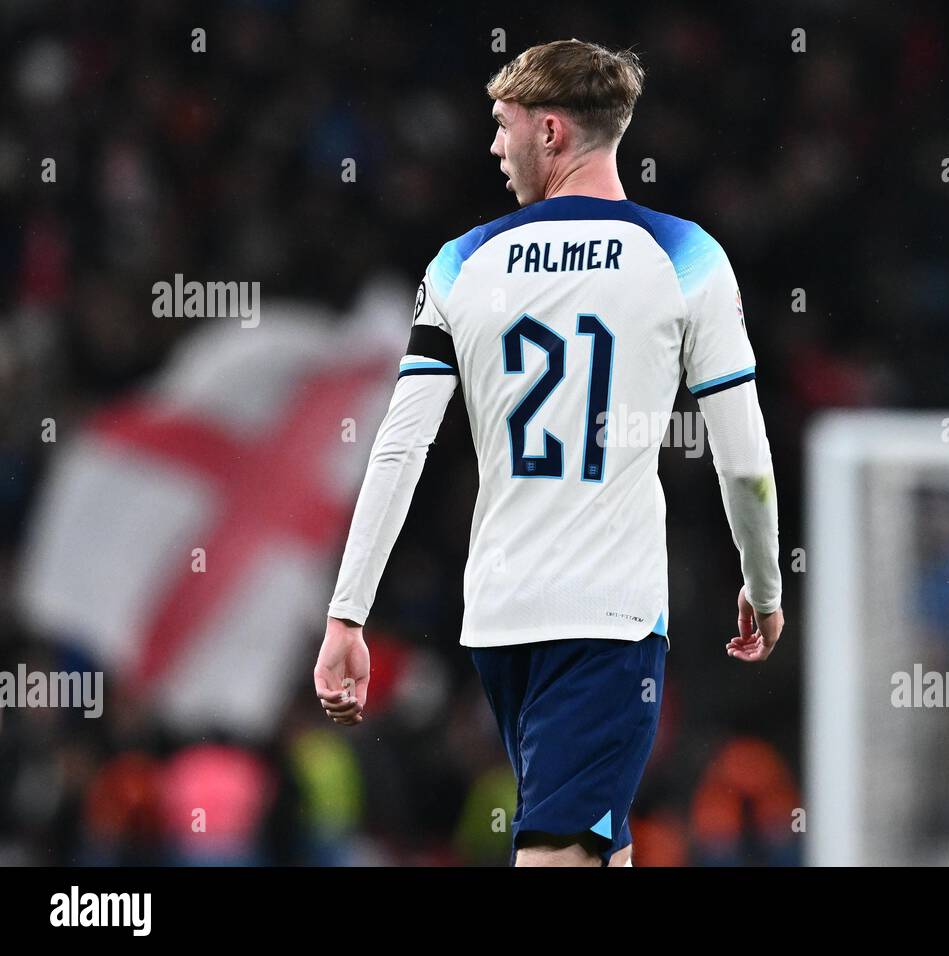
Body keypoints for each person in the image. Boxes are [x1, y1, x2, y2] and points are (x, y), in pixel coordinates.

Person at [314, 38, 783, 867]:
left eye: (504, 125)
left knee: (605, 849)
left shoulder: (461, 264)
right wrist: (763, 583)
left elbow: (399, 449)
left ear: (553, 131)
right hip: (607, 618)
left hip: (498, 620)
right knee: (560, 856)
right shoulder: (687, 256)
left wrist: (348, 612)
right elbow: (741, 459)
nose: (495, 146)